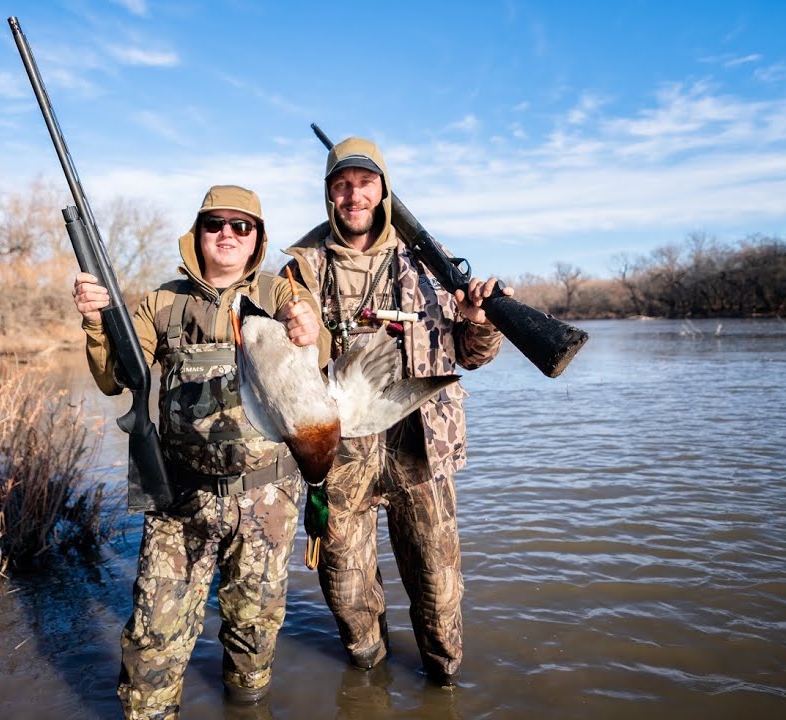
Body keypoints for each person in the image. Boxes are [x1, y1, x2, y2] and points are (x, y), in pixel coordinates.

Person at [73, 185, 326, 718]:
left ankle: (247, 705)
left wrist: (308, 329)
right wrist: (98, 322)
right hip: (180, 500)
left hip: (267, 500)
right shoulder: (159, 302)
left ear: (257, 238)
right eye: (217, 224)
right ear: (199, 232)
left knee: (253, 639)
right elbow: (114, 379)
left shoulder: (281, 294)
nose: (228, 235)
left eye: (242, 226)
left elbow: (312, 339)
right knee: (152, 643)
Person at [282, 137, 507, 686]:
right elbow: (284, 370)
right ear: (328, 194)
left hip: (419, 447)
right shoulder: (298, 270)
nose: (353, 195)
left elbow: (472, 356)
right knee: (346, 588)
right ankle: (367, 674)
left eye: (365, 183)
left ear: (383, 191)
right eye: (341, 184)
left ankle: (443, 682)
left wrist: (479, 320)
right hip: (340, 452)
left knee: (436, 582)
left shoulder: (431, 263)